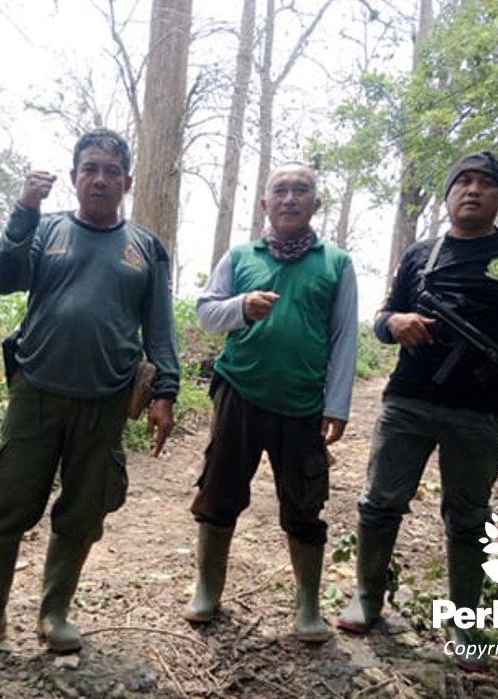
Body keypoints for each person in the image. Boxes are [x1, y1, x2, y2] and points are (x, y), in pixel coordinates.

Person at [0, 128, 180, 666]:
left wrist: (165, 392)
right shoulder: (46, 229)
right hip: (37, 392)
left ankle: (54, 614)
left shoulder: (146, 248)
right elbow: (4, 278)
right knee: (5, 505)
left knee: (84, 508)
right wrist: (24, 210)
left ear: (127, 182)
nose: (100, 179)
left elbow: (160, 329)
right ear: (74, 177)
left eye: (111, 171)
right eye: (90, 169)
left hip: (106, 398)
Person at [336, 151, 498, 670]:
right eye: (463, 182)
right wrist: (394, 323)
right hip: (409, 399)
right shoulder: (421, 254)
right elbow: (382, 317)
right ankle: (368, 597)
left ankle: (465, 623)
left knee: (469, 519)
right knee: (379, 503)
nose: (473, 190)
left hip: (482, 409)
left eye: (485, 184)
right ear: (449, 195)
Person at [183, 163, 358, 642]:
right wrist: (242, 307)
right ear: (265, 203)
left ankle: (308, 607)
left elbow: (344, 337)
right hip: (239, 392)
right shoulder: (241, 256)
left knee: (304, 502)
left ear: (316, 204)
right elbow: (206, 313)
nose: (290, 198)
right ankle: (207, 590)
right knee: (219, 490)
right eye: (280, 190)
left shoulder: (336, 263)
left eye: (301, 190)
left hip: (303, 402)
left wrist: (337, 404)